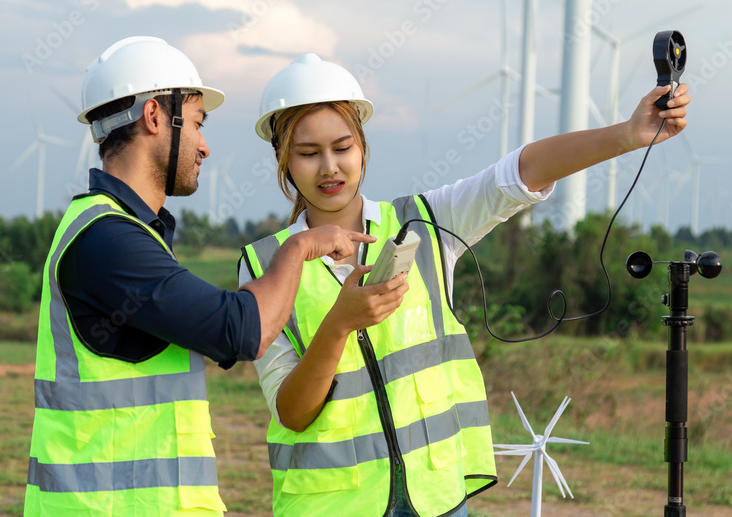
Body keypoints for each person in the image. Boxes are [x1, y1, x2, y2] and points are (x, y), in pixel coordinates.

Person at [238, 53, 691, 517]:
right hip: (331, 506)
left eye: (342, 147)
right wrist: (337, 326)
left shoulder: (428, 222)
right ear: (283, 160)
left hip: (438, 499)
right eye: (309, 153)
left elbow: (520, 173)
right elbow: (291, 411)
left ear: (363, 146)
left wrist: (627, 134)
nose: (330, 167)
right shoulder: (263, 265)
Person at [24, 37, 374, 516]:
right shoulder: (107, 241)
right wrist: (300, 247)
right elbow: (239, 331)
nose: (205, 146)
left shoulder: (119, 232)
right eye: (196, 123)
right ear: (153, 117)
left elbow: (223, 316)